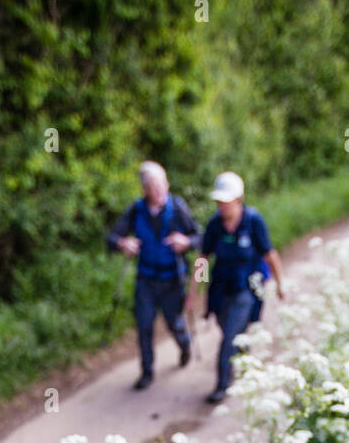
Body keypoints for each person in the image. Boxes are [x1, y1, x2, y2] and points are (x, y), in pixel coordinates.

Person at [106, 161, 202, 390]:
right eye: (152, 187)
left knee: (174, 323)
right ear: (144, 190)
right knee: (144, 326)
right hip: (146, 281)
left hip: (172, 281)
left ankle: (184, 344)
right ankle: (147, 371)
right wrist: (122, 243)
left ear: (167, 185)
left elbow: (203, 240)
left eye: (162, 185)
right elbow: (111, 239)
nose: (159, 191)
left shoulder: (178, 209)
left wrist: (187, 242)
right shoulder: (136, 210)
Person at [197, 171, 284, 404]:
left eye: (226, 202)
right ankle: (245, 361)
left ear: (238, 199)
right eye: (219, 202)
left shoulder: (254, 221)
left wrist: (279, 283)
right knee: (231, 332)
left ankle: (222, 385)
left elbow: (270, 254)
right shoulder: (214, 225)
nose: (222, 206)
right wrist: (196, 287)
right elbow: (203, 257)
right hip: (221, 290)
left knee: (229, 340)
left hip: (247, 289)